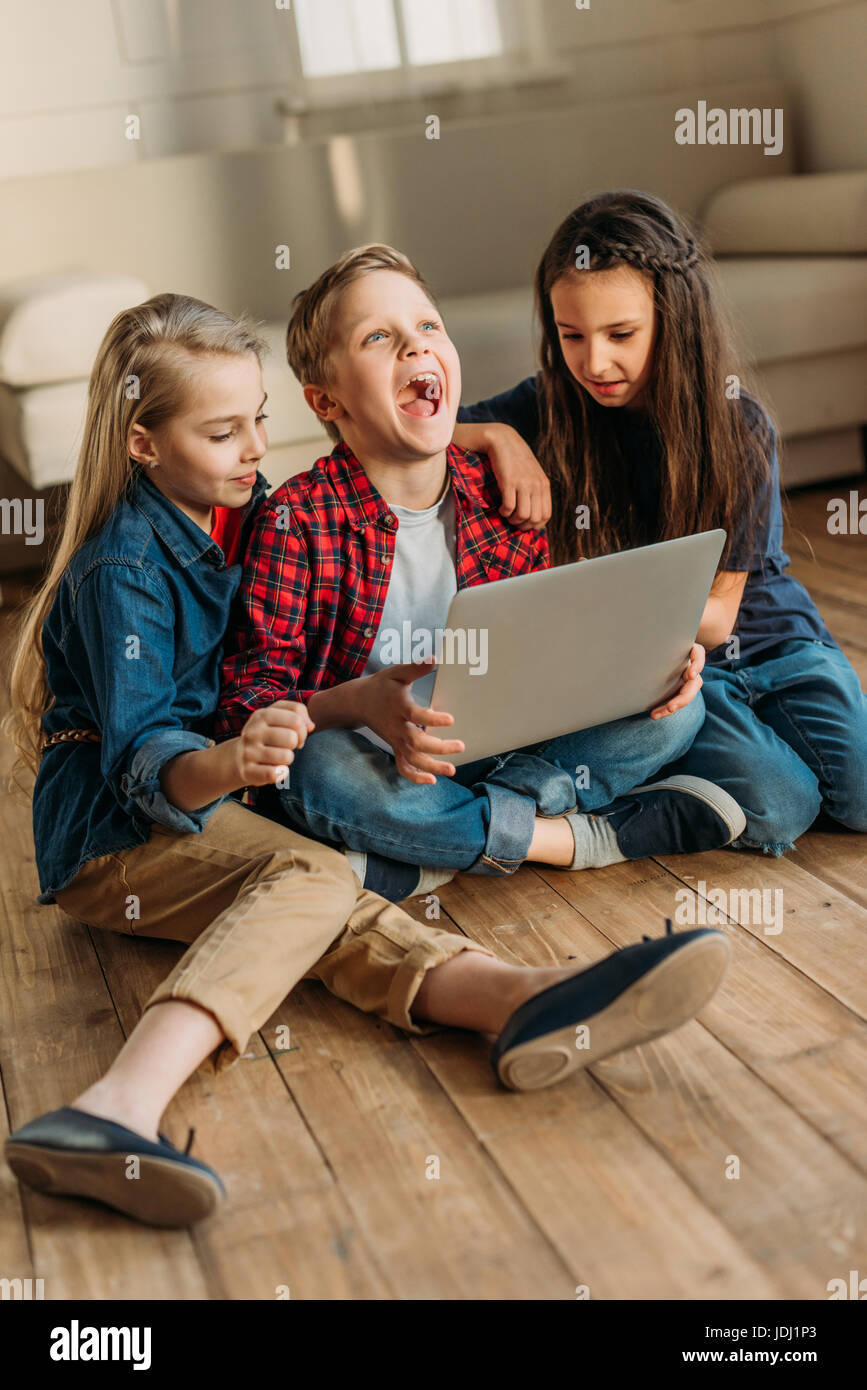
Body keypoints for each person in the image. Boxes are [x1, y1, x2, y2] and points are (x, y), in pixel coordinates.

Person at [3, 290, 732, 1228]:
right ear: (144, 444)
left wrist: (483, 439)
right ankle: (112, 1108)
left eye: (258, 422)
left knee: (321, 899)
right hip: (118, 837)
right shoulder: (125, 570)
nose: (257, 450)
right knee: (309, 883)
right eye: (225, 433)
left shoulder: (229, 504)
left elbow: (370, 463)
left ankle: (524, 999)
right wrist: (236, 761)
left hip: (220, 799)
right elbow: (148, 768)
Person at [216, 243, 745, 904]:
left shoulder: (504, 490)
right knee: (316, 773)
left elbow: (550, 644)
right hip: (386, 765)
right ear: (326, 401)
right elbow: (248, 706)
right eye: (378, 337)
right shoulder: (295, 519)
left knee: (677, 708)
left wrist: (646, 662)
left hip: (508, 749)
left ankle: (434, 848)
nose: (415, 348)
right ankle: (572, 840)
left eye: (428, 327)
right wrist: (357, 703)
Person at [454, 190, 867, 854]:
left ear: (673, 320)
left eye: (620, 334)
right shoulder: (546, 406)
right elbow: (406, 436)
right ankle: (593, 826)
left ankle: (706, 766)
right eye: (570, 336)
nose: (593, 363)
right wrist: (494, 437)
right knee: (780, 806)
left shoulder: (737, 426)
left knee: (861, 797)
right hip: (667, 668)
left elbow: (717, 616)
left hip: (766, 644)